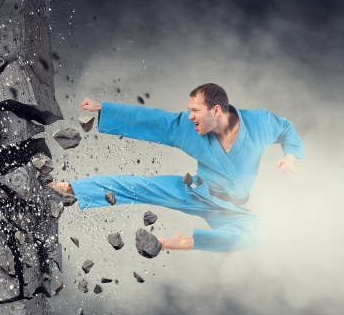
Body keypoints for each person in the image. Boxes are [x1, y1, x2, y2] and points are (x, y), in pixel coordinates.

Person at [48, 83, 305, 252]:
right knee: (138, 187)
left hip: (231, 209)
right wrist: (106, 109)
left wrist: (290, 157)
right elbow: (157, 121)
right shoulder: (190, 129)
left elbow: (285, 128)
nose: (190, 116)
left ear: (216, 110)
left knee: (254, 236)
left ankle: (188, 242)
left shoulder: (258, 123)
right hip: (197, 191)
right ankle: (74, 188)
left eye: (195, 110)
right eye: (188, 110)